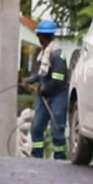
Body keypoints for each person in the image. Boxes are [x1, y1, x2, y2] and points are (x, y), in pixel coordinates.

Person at [24, 19, 70, 160]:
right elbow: (43, 74)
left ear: (43, 36)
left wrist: (43, 89)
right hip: (45, 96)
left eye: (39, 35)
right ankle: (36, 157)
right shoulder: (45, 52)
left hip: (57, 96)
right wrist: (31, 80)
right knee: (36, 127)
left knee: (57, 128)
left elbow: (57, 79)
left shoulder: (56, 55)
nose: (38, 38)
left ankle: (59, 157)